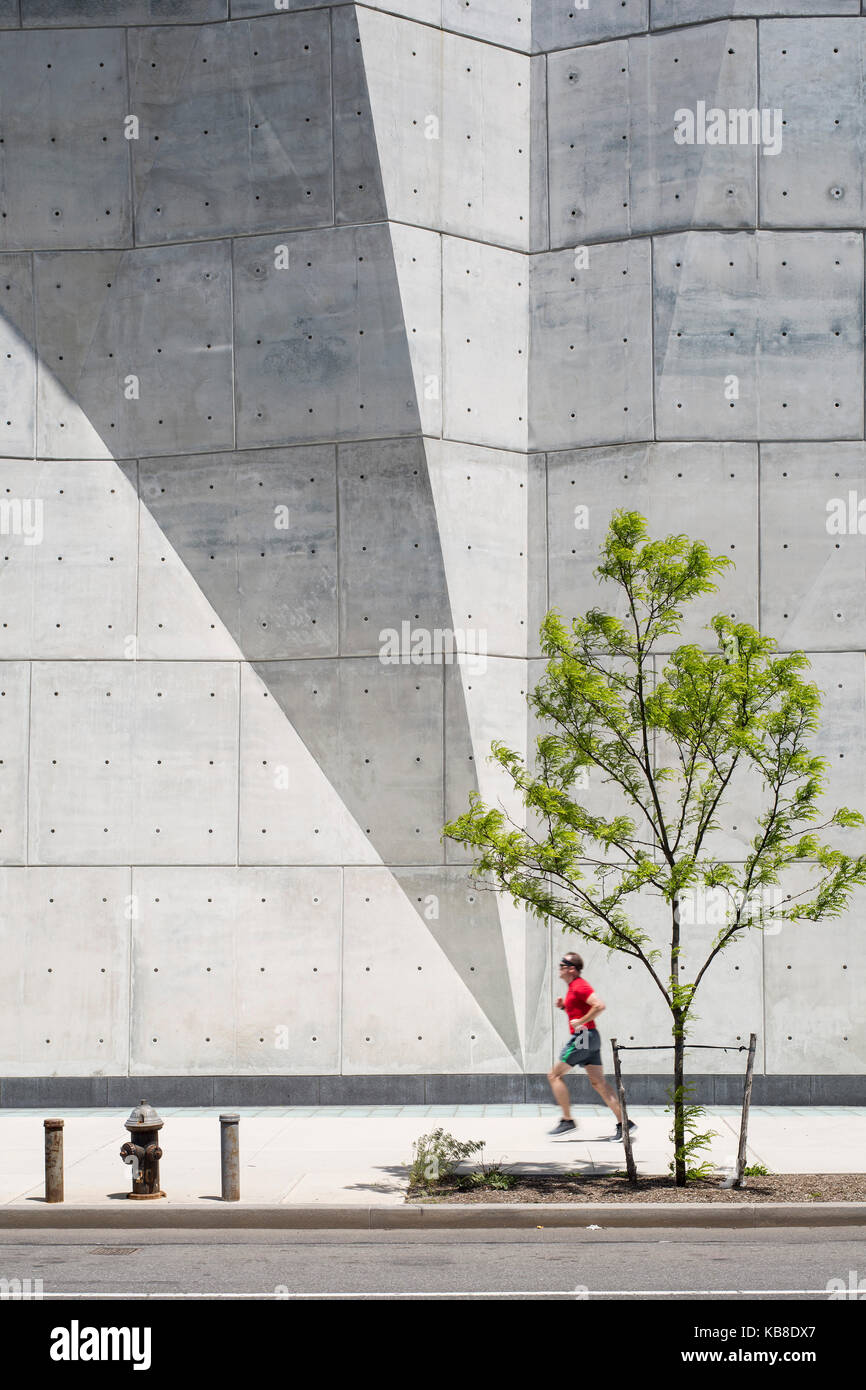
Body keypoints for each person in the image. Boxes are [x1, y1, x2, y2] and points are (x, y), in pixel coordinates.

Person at [547, 952, 637, 1142]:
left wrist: (582, 1020)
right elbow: (581, 1009)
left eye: (562, 965)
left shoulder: (579, 985)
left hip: (584, 1037)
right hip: (590, 1038)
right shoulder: (573, 988)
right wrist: (565, 1007)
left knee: (554, 1075)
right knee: (598, 1084)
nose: (559, 968)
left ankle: (567, 1120)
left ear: (571, 968)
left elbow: (599, 1005)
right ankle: (625, 1124)